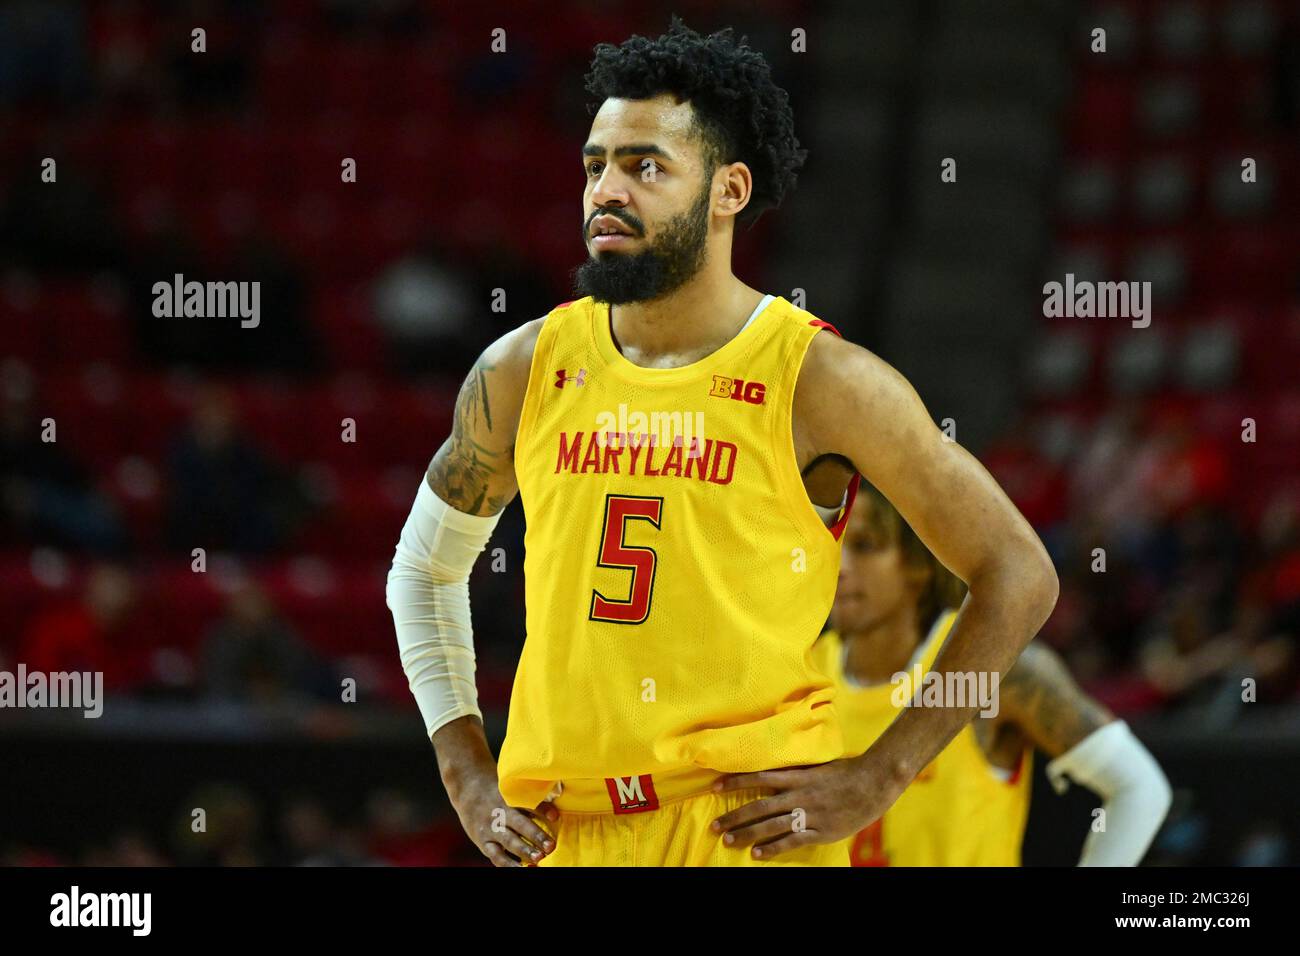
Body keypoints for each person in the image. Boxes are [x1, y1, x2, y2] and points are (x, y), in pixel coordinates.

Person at [386, 18, 1058, 867]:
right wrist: (463, 768)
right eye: (596, 165)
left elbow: (1018, 573)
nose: (606, 190)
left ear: (730, 189)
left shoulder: (824, 379)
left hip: (744, 831)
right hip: (563, 833)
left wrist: (883, 771)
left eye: (645, 166)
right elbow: (424, 569)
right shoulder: (524, 365)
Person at [815, 482, 1172, 865]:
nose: (839, 565)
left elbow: (1140, 788)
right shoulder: (802, 664)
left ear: (919, 561)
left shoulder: (993, 666)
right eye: (833, 541)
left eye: (865, 546)